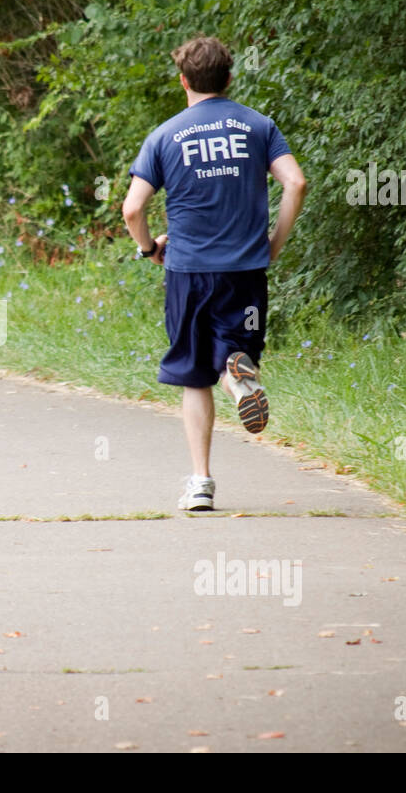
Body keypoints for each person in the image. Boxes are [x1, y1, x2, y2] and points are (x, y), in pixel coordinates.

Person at [121, 35, 306, 512]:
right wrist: (274, 244)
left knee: (193, 376)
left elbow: (132, 209)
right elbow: (296, 182)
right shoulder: (259, 126)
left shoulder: (164, 136)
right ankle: (241, 381)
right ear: (229, 78)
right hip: (246, 270)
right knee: (234, 354)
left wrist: (149, 249)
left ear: (183, 80)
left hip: (187, 272)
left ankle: (201, 482)